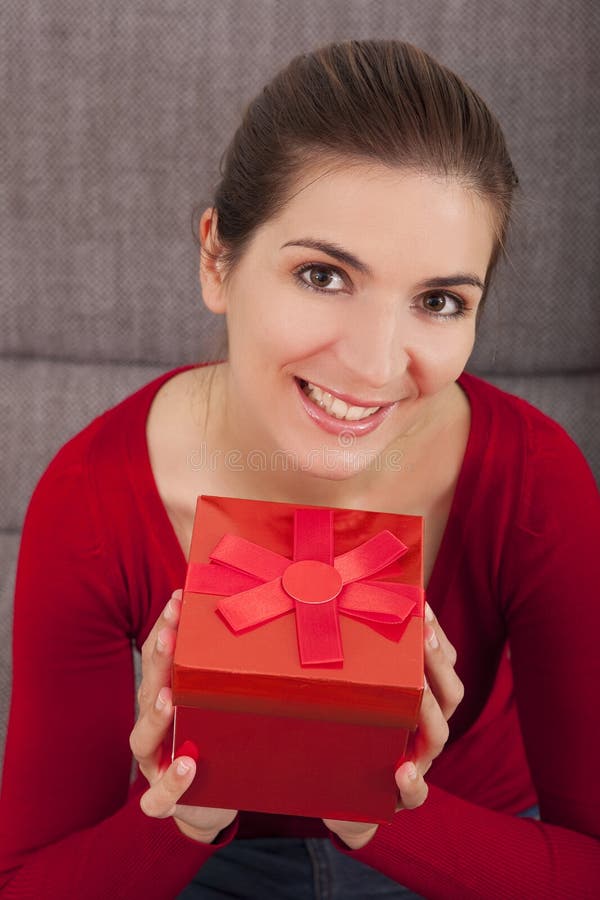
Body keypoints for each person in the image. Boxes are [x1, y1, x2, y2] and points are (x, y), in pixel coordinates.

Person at [0, 37, 598, 900]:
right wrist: (183, 815)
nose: (374, 362)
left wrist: (388, 811)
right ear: (218, 259)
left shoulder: (534, 482)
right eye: (323, 275)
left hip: (476, 845)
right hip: (196, 850)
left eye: (439, 301)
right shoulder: (95, 498)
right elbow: (29, 882)